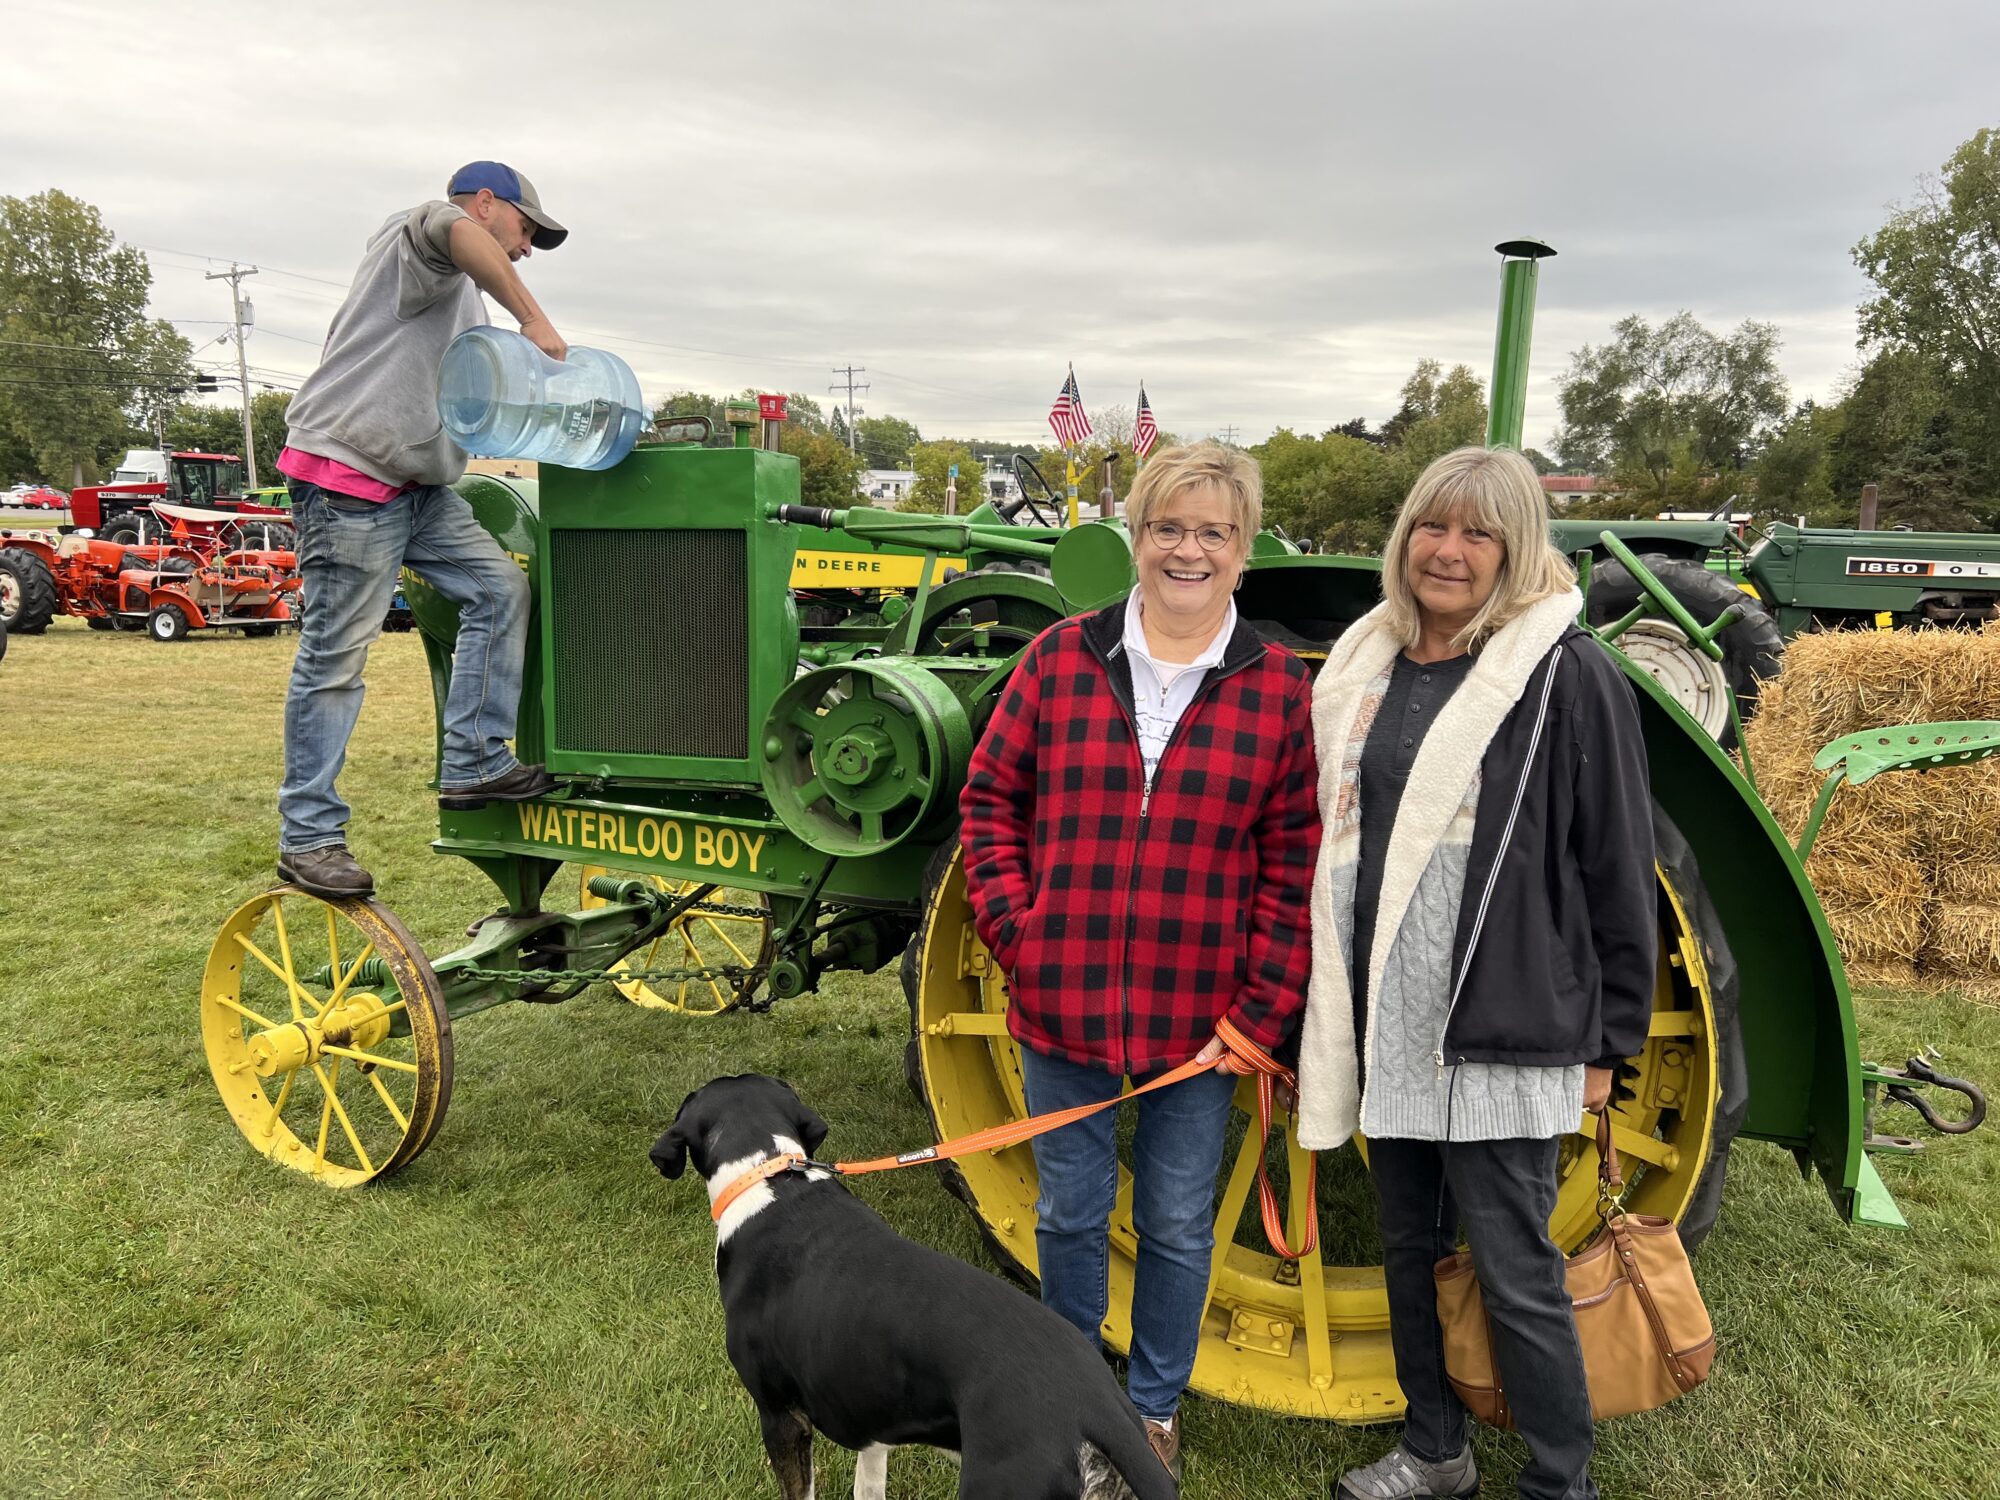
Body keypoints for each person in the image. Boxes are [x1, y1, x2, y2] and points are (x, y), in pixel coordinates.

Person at [1293, 445, 1655, 1500]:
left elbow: (1613, 868)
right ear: (1402, 538)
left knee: (1512, 1262)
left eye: (1477, 532)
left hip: (1497, 1011)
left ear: (1514, 551)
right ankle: (1433, 1449)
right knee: (1410, 1242)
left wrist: (1608, 1044)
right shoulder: (1367, 668)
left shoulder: (1562, 674)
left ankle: (1557, 1479)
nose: (1446, 552)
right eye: (1429, 527)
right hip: (1384, 1005)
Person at [959, 441, 1321, 1481]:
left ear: (1243, 552)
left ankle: (1152, 1406)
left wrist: (1256, 1014)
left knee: (1170, 1223)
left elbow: (1291, 861)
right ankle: (1068, 1392)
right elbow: (988, 803)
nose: (1187, 550)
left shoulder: (1272, 690)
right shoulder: (1060, 659)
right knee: (1069, 1213)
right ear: (1135, 538)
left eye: (1212, 532)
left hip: (1198, 1029)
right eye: (1168, 527)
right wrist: (1019, 936)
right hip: (1059, 1006)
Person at [274, 162, 572, 900]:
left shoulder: (459, 300)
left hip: (418, 489)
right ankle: (308, 836)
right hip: (347, 478)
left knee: (501, 590)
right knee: (335, 657)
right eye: (525, 229)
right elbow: (454, 230)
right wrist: (532, 317)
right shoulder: (417, 241)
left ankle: (474, 759)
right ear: (484, 202)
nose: (526, 248)